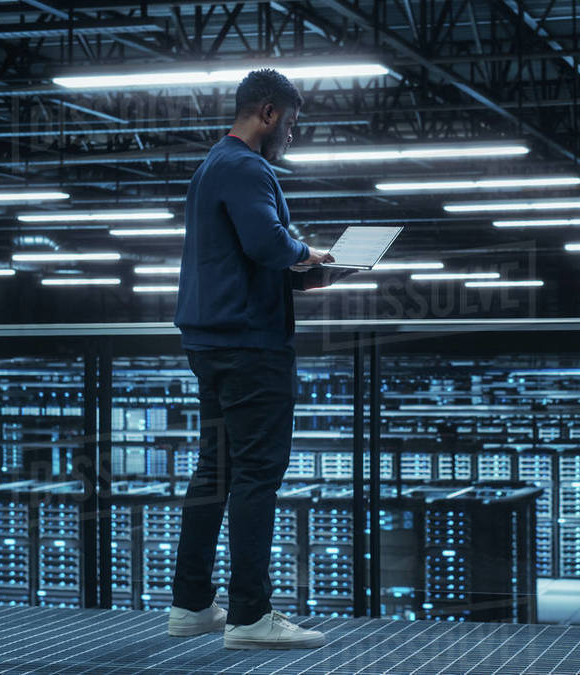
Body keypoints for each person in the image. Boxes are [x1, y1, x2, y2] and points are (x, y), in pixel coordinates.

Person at [167, 68, 352, 649]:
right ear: (268, 113)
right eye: (291, 124)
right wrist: (311, 251)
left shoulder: (210, 168)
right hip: (251, 349)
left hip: (212, 342)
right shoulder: (249, 168)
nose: (291, 136)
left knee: (214, 473)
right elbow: (269, 245)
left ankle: (192, 605)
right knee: (256, 478)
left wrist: (317, 274)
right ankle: (250, 616)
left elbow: (245, 262)